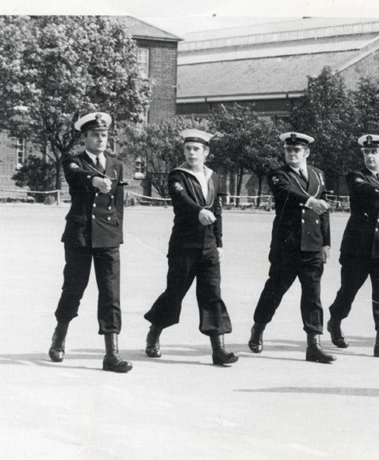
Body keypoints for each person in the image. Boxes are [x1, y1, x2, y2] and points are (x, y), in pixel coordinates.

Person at [143, 129, 238, 366]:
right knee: (175, 293)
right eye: (188, 148)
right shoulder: (178, 175)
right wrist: (199, 212)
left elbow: (217, 211)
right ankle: (154, 334)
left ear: (206, 152)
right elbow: (181, 201)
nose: (191, 153)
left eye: (196, 149)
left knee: (212, 295)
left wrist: (219, 243)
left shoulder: (214, 177)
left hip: (208, 247)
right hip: (184, 246)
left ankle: (219, 349)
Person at [49, 112, 132, 373]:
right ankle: (59, 337)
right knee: (74, 288)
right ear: (84, 137)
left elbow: (118, 203)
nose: (100, 139)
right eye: (95, 134)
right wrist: (95, 180)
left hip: (107, 236)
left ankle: (111, 353)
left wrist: (117, 232)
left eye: (104, 134)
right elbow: (76, 178)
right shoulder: (73, 161)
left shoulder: (116, 164)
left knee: (111, 294)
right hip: (81, 235)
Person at [249, 132, 335, 364]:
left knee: (312, 296)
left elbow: (324, 210)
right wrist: (310, 201)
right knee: (275, 291)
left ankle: (314, 345)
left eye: (297, 150)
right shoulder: (278, 175)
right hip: (287, 246)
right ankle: (258, 328)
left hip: (313, 246)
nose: (292, 154)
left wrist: (326, 242)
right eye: (288, 150)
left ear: (306, 152)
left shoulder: (318, 174)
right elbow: (286, 193)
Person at [326, 134, 379, 359]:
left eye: (375, 153)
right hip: (358, 248)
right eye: (366, 153)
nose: (370, 157)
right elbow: (362, 189)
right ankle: (335, 321)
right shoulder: (356, 176)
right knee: (348, 291)